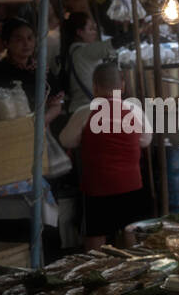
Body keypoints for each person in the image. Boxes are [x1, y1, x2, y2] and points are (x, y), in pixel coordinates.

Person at [58, 61, 151, 249]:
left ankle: (96, 273)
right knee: (129, 232)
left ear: (95, 86)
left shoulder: (84, 113)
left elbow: (65, 140)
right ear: (122, 85)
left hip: (97, 188)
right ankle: (132, 273)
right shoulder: (136, 111)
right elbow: (145, 141)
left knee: (95, 234)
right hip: (131, 185)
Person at [0, 17, 65, 123]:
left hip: (39, 130)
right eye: (19, 39)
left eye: (30, 38)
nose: (26, 43)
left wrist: (40, 122)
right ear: (6, 43)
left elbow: (56, 105)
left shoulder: (41, 69)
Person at [60, 12, 116, 114]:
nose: (95, 32)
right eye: (91, 29)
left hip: (79, 109)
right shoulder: (83, 51)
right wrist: (137, 32)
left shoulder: (71, 53)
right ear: (79, 32)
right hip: (88, 110)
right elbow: (110, 45)